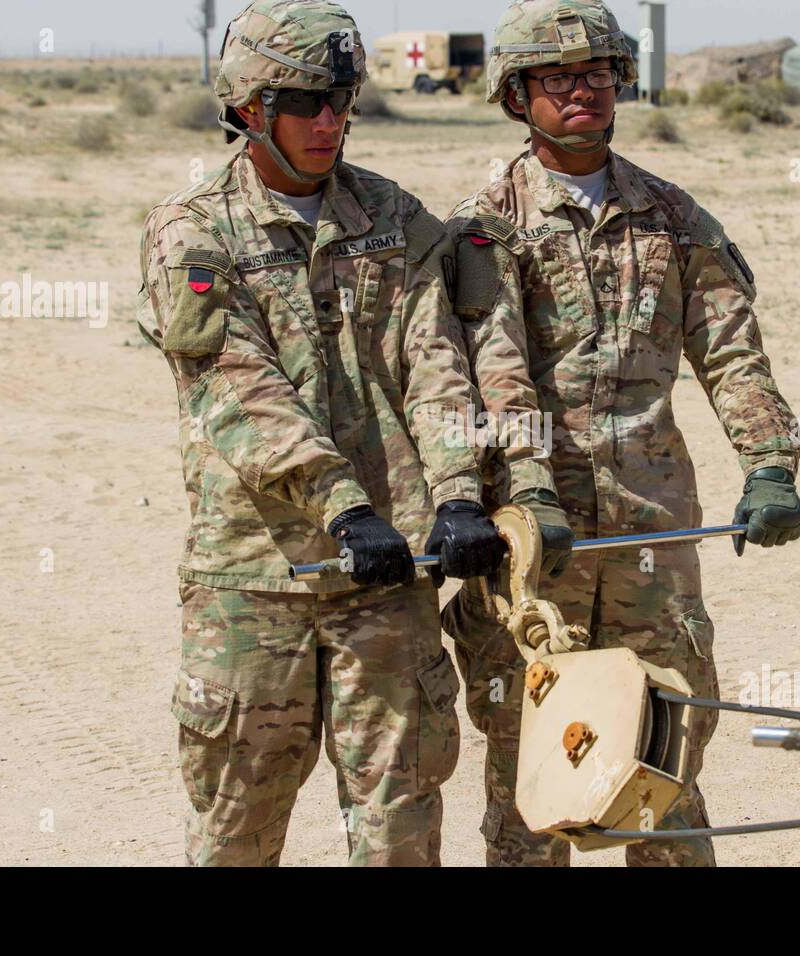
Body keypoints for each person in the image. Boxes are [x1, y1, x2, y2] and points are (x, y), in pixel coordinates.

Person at [137, 0, 506, 866]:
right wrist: (345, 507)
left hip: (390, 581)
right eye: (306, 102)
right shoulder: (192, 230)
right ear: (249, 108)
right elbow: (237, 388)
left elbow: (436, 362)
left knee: (400, 822)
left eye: (342, 98)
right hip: (256, 581)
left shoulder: (394, 215)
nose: (331, 120)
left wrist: (455, 497)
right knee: (238, 829)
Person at [442, 0, 800, 866]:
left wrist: (770, 465)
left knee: (666, 762)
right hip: (535, 550)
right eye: (559, 79)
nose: (583, 94)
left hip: (654, 534)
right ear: (516, 94)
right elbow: (492, 378)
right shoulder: (484, 226)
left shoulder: (672, 216)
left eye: (599, 76)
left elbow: (730, 349)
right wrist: (530, 490)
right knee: (531, 776)